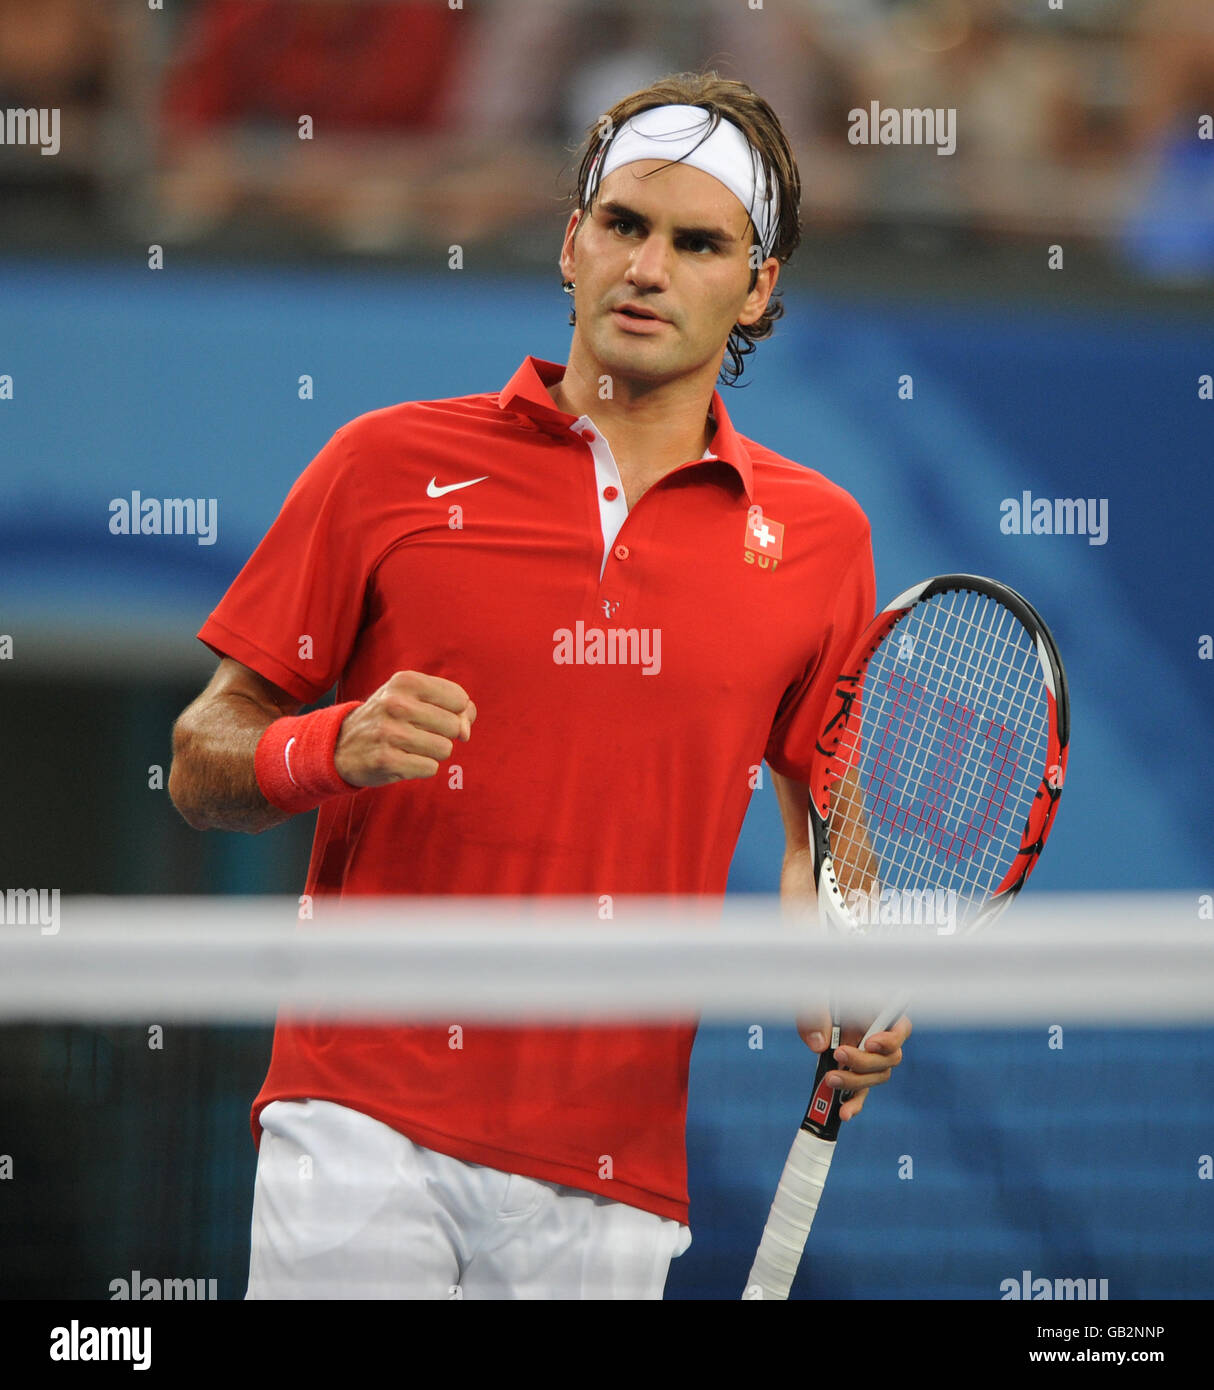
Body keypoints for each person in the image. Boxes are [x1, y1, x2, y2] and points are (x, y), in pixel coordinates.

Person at [168, 70, 911, 1301]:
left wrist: (839, 973)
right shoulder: (384, 464)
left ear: (756, 288)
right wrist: (331, 744)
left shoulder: (820, 539)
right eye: (621, 225)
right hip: (358, 1116)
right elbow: (202, 756)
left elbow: (820, 839)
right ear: (570, 243)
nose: (647, 266)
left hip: (608, 1163)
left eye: (697, 242)